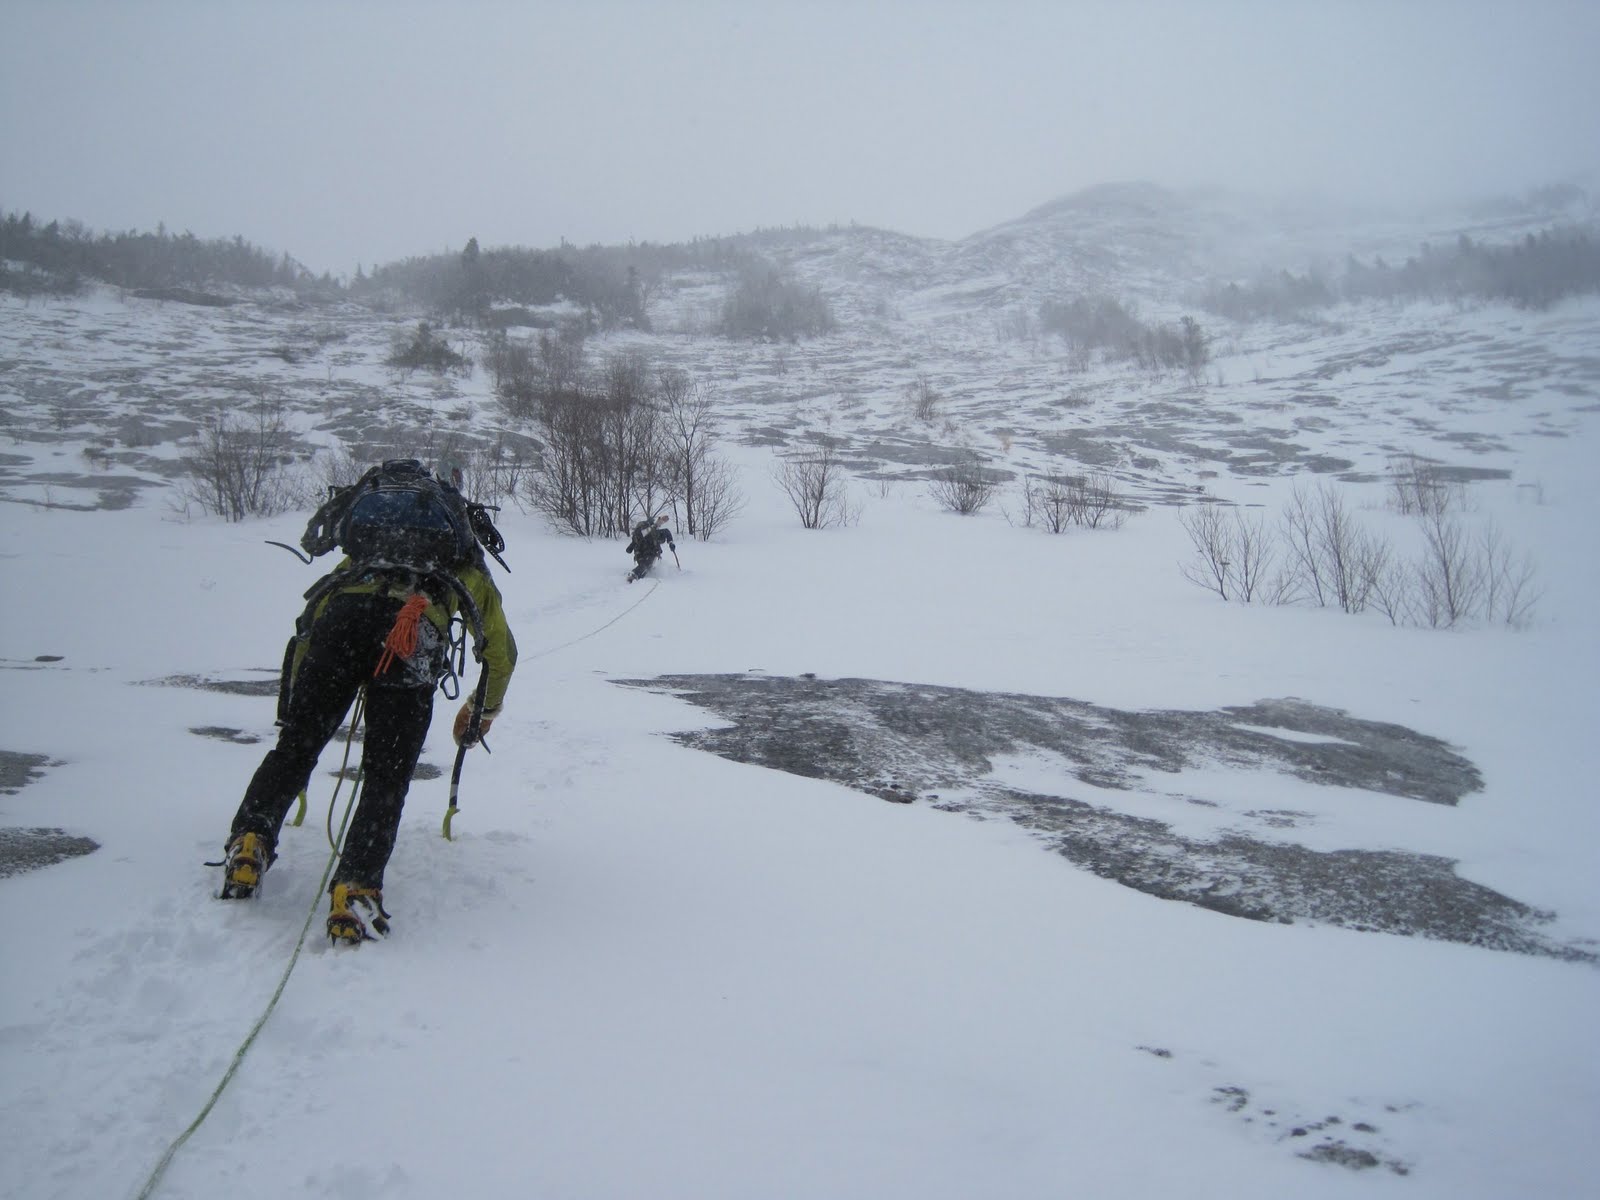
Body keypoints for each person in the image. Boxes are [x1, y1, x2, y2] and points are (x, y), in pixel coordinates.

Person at [219, 484, 517, 945]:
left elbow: (310, 621)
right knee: (386, 774)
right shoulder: (462, 560)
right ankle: (355, 886)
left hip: (339, 627)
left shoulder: (366, 555)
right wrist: (483, 710)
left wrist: (296, 705)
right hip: (409, 641)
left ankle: (250, 841)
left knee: (296, 749)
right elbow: (499, 652)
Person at [624, 513, 677, 582]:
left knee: (646, 566)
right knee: (646, 566)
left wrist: (670, 543)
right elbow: (665, 531)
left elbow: (629, 549)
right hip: (648, 553)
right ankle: (633, 575)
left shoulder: (638, 536)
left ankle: (636, 575)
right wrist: (670, 543)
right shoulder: (651, 533)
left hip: (640, 555)